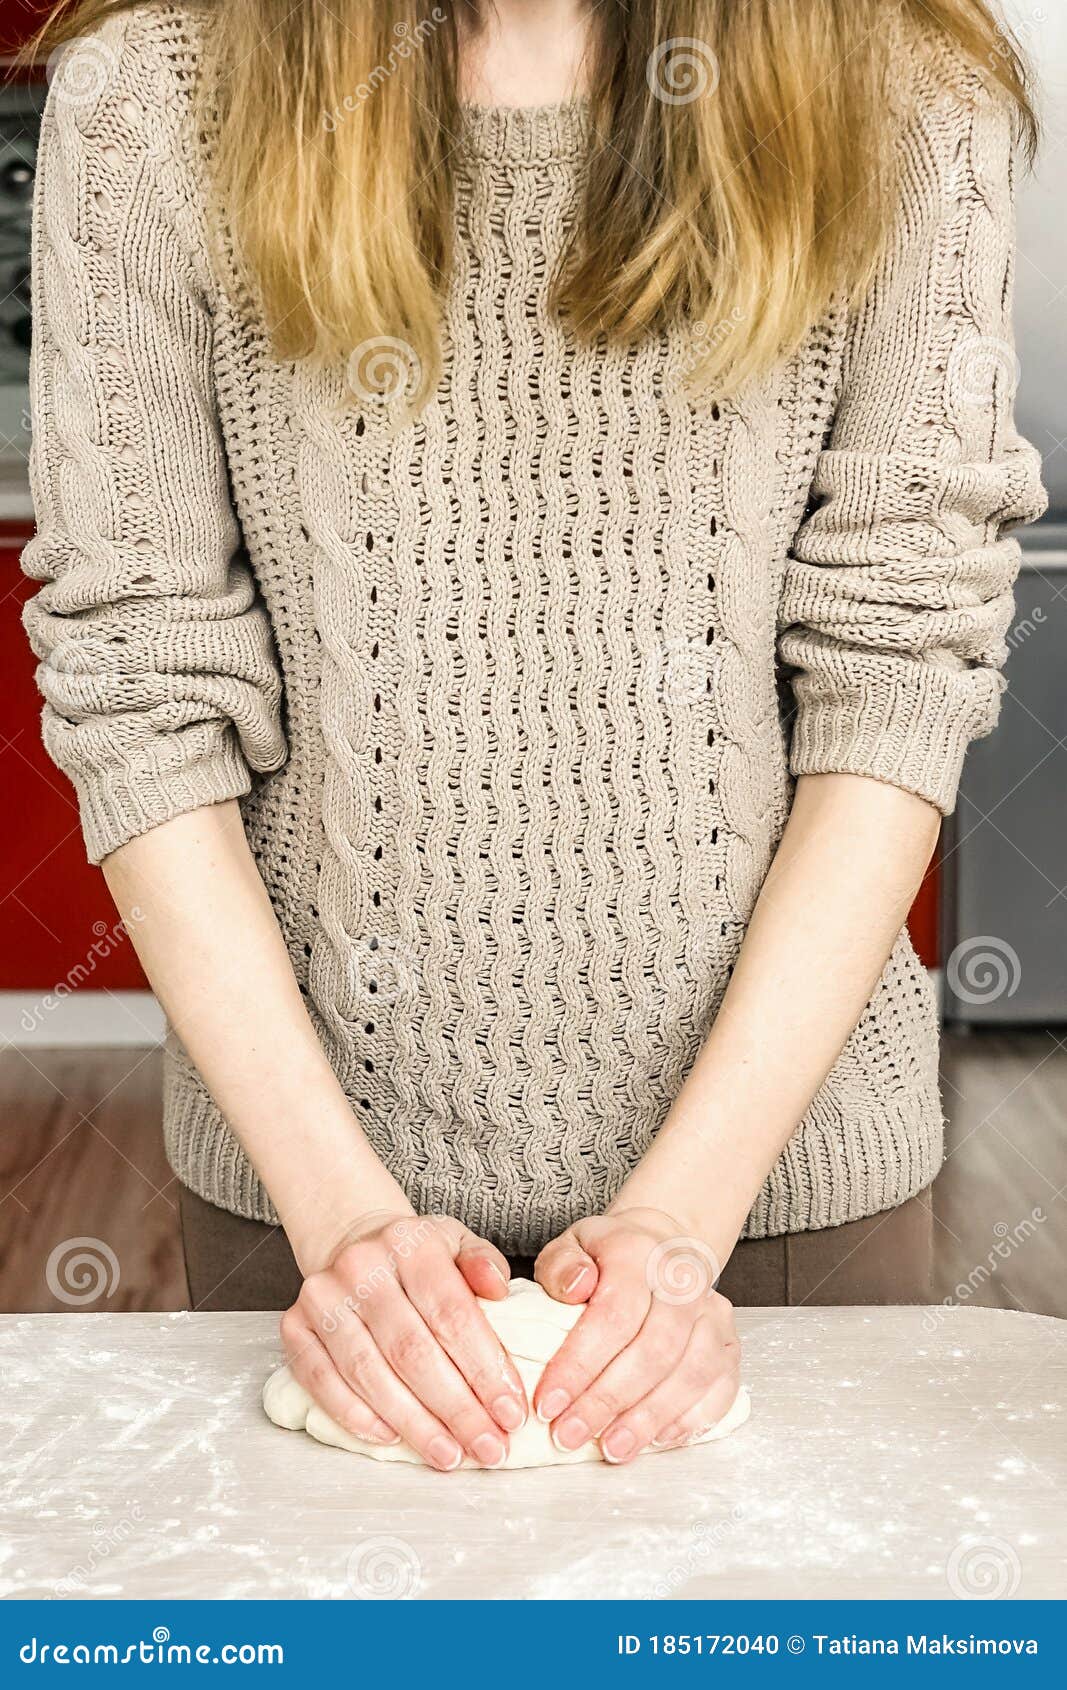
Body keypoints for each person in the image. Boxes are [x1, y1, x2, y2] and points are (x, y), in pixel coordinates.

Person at [22, 0, 1045, 1469]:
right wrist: (351, 1222)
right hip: (318, 1231)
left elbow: (894, 668)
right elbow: (139, 683)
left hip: (786, 1205)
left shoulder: (907, 93)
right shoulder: (151, 101)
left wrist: (680, 1223)